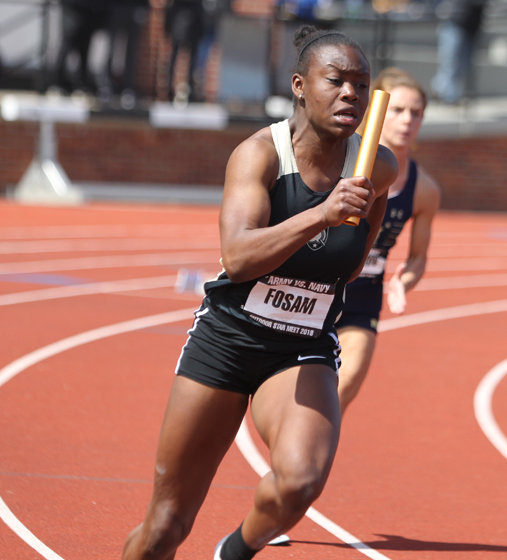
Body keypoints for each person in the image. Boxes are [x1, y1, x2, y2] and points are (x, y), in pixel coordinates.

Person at [121, 25, 397, 560]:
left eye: (361, 86)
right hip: (227, 341)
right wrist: (321, 214)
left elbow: (351, 264)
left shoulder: (375, 167)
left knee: (299, 481)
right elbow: (239, 257)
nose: (351, 95)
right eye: (335, 81)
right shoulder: (259, 156)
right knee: (165, 526)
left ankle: (237, 549)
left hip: (302, 345)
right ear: (299, 85)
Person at [335, 68, 441, 414]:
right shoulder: (344, 161)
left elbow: (418, 258)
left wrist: (404, 282)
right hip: (318, 283)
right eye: (397, 110)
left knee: (344, 384)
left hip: (364, 295)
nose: (407, 120)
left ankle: (302, 461)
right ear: (378, 110)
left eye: (416, 112)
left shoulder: (424, 189)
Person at [430, 0, 487, 104]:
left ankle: (447, 92)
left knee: (464, 65)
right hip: (455, 22)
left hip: (471, 25)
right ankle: (447, 94)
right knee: (450, 62)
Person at [164, 0, 204, 102]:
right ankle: (169, 89)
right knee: (176, 57)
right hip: (181, 18)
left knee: (192, 59)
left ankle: (190, 90)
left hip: (192, 20)